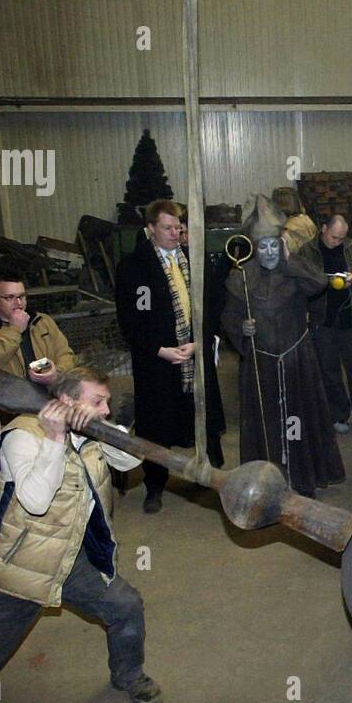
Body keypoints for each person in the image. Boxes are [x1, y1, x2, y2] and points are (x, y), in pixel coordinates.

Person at [0, 367, 162, 703]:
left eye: (106, 402)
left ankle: (129, 675)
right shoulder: (21, 437)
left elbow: (132, 459)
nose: (106, 409)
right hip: (19, 568)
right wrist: (56, 440)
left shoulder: (92, 433)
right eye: (98, 401)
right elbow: (36, 502)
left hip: (72, 559)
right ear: (66, 402)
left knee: (125, 605)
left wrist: (102, 430)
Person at [222, 195, 345, 496]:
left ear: (282, 245)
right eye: (262, 246)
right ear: (253, 248)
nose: (268, 252)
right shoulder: (241, 277)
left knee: (299, 420)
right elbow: (228, 316)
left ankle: (303, 477)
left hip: (296, 360)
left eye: (273, 245)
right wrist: (241, 328)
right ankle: (266, 480)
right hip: (260, 363)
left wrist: (291, 261)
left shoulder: (295, 270)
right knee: (265, 424)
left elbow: (319, 284)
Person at [115, 199, 225, 514]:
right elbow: (131, 319)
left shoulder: (195, 261)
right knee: (157, 426)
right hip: (157, 363)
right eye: (167, 227)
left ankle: (212, 477)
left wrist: (199, 342)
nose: (175, 233)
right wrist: (158, 349)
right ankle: (155, 485)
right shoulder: (134, 268)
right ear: (150, 229)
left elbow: (212, 305)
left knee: (204, 418)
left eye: (178, 227)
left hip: (195, 357)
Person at [298, 213, 352, 433]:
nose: (337, 242)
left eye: (341, 238)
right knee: (329, 369)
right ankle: (338, 414)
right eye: (334, 237)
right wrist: (321, 282)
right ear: (323, 229)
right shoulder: (307, 251)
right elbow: (301, 282)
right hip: (322, 320)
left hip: (350, 319)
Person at [0, 268, 77, 384]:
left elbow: (65, 354)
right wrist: (15, 330)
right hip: (8, 399)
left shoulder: (42, 321)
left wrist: (56, 373)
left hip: (48, 393)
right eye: (10, 297)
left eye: (22, 296)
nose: (19, 303)